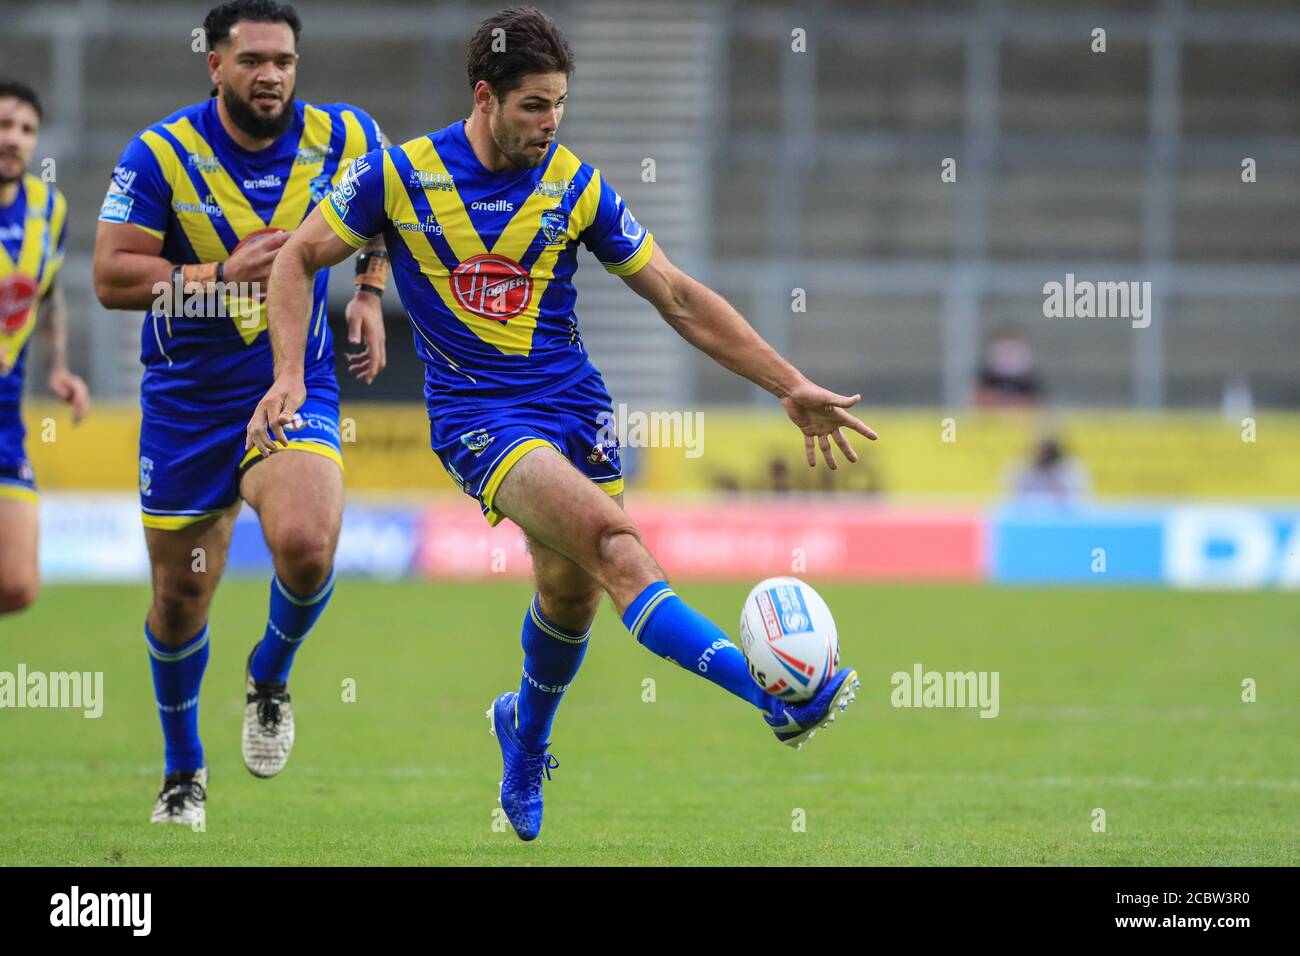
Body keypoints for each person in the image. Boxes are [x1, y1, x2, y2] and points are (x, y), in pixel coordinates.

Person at [246, 5, 874, 842]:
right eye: (535, 106)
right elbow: (295, 257)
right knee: (618, 547)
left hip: (577, 410)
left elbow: (678, 297)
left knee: (568, 596)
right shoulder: (398, 177)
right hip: (480, 420)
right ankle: (769, 699)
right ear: (486, 96)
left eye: (560, 106)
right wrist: (291, 373)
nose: (551, 123)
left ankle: (524, 735)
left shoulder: (575, 187)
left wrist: (788, 383)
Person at [91, 0, 388, 826]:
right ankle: (183, 771)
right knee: (182, 597)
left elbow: (393, 206)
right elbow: (112, 278)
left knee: (305, 546)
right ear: (214, 66)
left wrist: (367, 291)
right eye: (253, 60)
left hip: (291, 380)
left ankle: (269, 673)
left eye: (285, 61)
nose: (272, 76)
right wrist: (221, 271)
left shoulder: (350, 139)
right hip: (187, 401)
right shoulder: (161, 154)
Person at [0, 80, 91, 616]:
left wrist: (59, 368)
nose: (14, 138)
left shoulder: (48, 209)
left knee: (16, 586)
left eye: (26, 129)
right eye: (4, 124)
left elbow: (50, 294)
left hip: (7, 419)